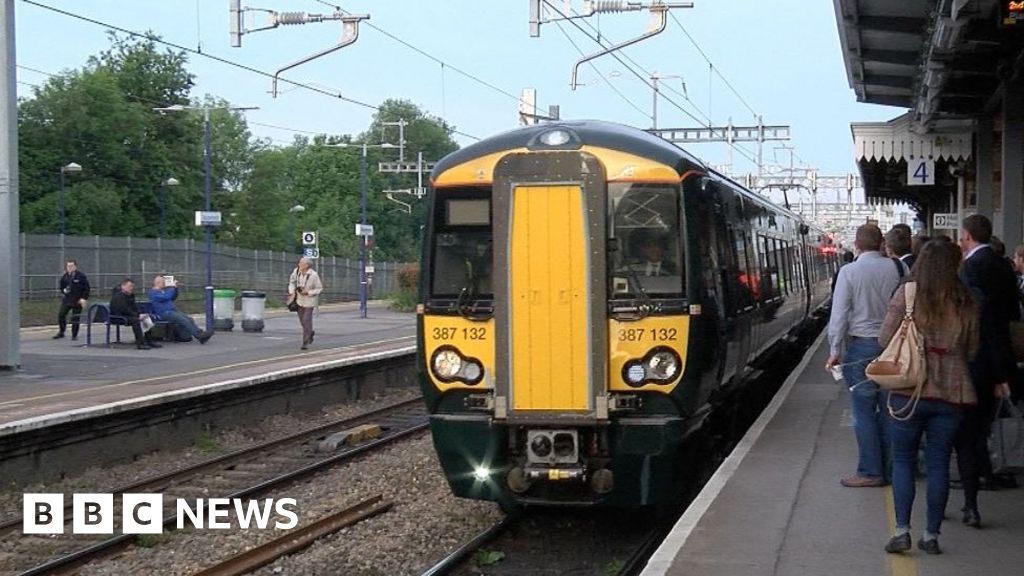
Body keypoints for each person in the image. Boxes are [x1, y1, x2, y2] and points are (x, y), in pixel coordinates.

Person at [880, 240, 978, 555]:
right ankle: (931, 535)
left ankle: (902, 531)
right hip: (951, 391)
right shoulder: (966, 299)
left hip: (908, 389)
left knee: (904, 461)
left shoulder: (907, 295)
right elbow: (972, 349)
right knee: (939, 463)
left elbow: (884, 338)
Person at [826, 224, 903, 488]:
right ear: (881, 243)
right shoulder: (899, 268)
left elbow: (839, 316)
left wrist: (834, 351)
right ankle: (894, 469)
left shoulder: (849, 272)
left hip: (861, 348)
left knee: (863, 411)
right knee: (891, 410)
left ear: (857, 245)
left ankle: (871, 471)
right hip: (895, 348)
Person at [955, 214, 1018, 526]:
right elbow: (1011, 315)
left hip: (975, 362)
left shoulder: (970, 268)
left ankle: (971, 503)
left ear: (966, 236)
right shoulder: (1003, 264)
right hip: (999, 359)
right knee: (983, 428)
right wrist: (1004, 371)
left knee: (968, 434)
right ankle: (988, 474)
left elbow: (976, 323)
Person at [147, 275, 213, 344]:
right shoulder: (153, 293)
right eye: (163, 282)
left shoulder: (163, 291)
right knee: (183, 320)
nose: (165, 284)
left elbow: (173, 297)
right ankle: (199, 336)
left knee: (189, 319)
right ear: (157, 283)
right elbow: (166, 297)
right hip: (164, 313)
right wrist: (172, 287)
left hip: (172, 310)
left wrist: (175, 289)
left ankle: (197, 333)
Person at [109, 278, 161, 350]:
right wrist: (137, 316)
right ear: (123, 286)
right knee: (136, 321)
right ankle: (140, 343)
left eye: (132, 286)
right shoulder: (118, 296)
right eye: (130, 286)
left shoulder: (130, 296)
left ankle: (149, 340)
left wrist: (140, 314)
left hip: (128, 315)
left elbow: (134, 307)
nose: (131, 288)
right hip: (118, 316)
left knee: (146, 318)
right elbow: (123, 309)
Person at [287, 257, 323, 350]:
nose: (299, 264)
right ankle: (310, 332)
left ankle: (305, 342)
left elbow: (319, 288)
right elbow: (292, 282)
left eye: (301, 263)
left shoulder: (313, 275)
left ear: (307, 265)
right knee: (302, 321)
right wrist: (292, 291)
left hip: (309, 301)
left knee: (306, 320)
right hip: (299, 300)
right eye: (299, 262)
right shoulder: (296, 271)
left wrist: (308, 292)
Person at [53, 259, 90, 340]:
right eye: (68, 266)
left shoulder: (81, 276)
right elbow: (62, 286)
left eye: (71, 266)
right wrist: (64, 291)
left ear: (75, 266)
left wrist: (84, 298)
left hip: (77, 300)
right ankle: (61, 332)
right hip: (67, 299)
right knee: (61, 314)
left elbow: (86, 288)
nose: (70, 267)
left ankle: (74, 335)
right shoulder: (65, 276)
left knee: (75, 318)